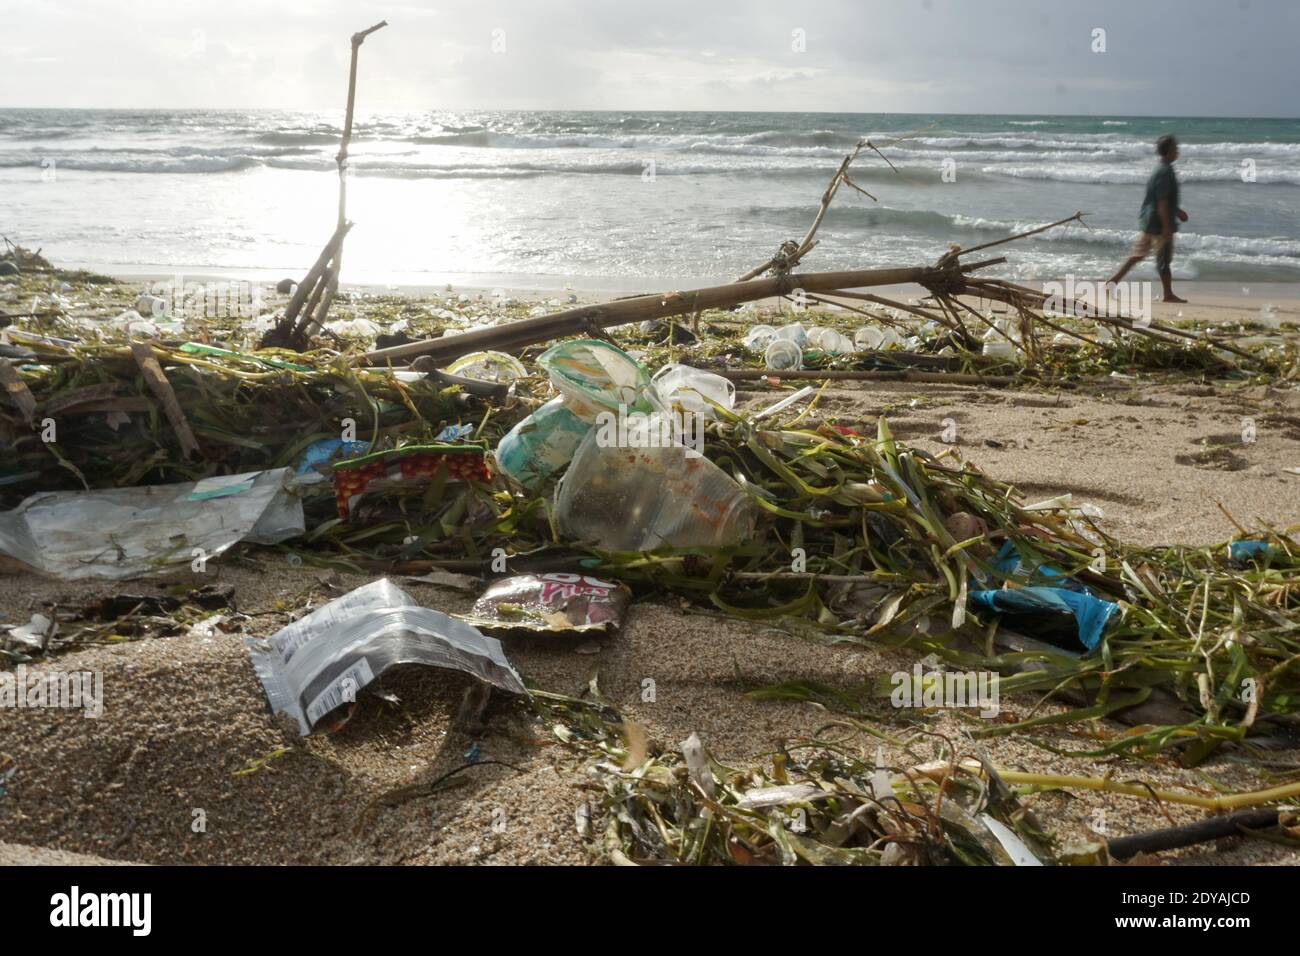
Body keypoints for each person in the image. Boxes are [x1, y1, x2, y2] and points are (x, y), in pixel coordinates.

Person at [1107, 133, 1189, 303]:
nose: (1177, 151)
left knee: (1137, 255)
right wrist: (1167, 226)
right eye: (1175, 148)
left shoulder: (1158, 169)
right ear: (1168, 151)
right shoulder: (1166, 172)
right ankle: (1168, 294)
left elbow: (1161, 199)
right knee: (1164, 259)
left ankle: (1112, 282)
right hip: (1158, 224)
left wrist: (1178, 212)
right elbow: (1162, 202)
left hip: (1148, 221)